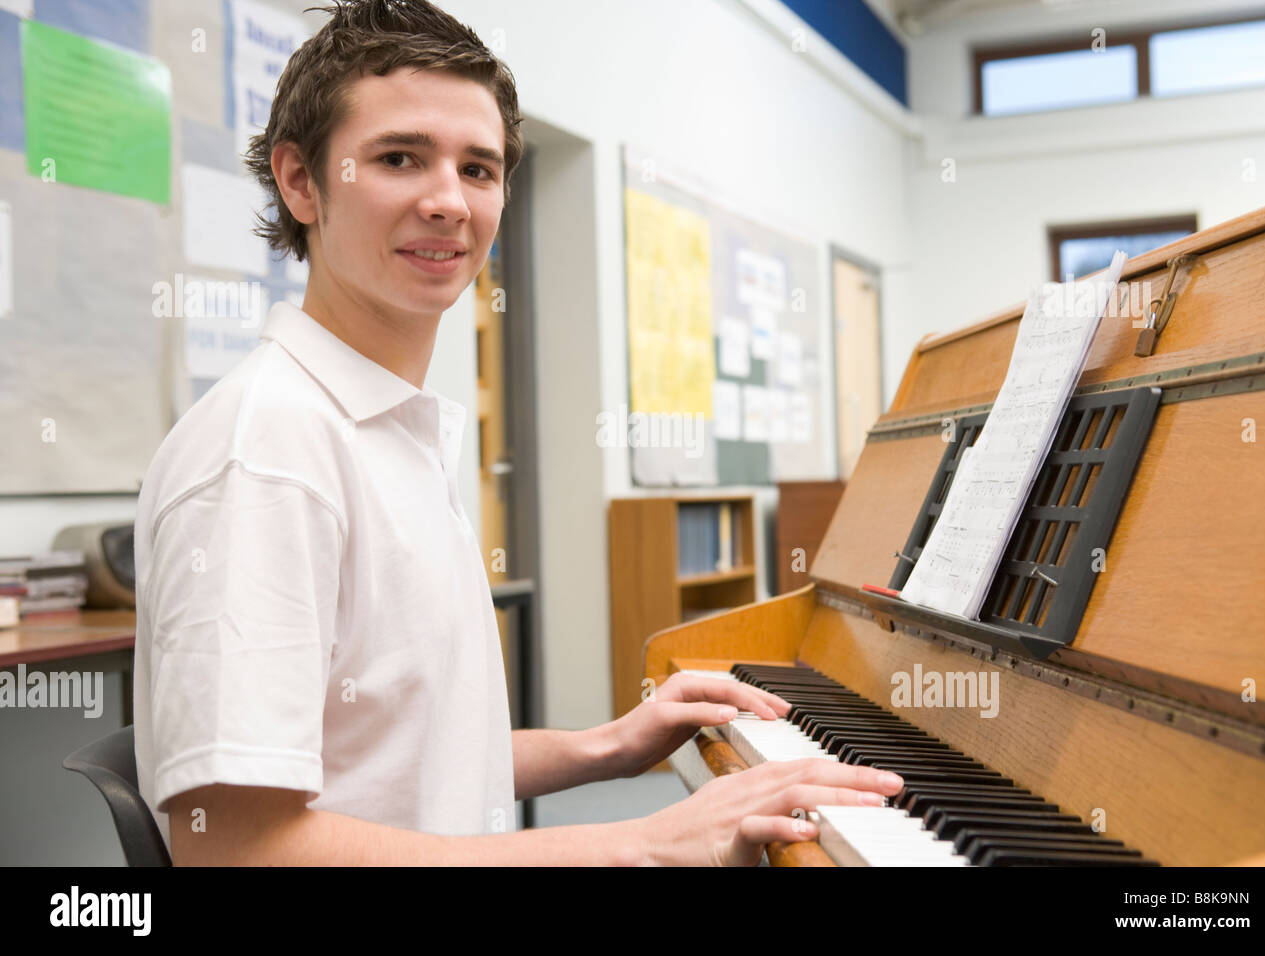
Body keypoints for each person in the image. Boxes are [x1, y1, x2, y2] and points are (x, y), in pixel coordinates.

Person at [133, 0, 901, 866]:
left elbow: (403, 765)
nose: (448, 202)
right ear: (302, 182)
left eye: (479, 169)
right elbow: (236, 850)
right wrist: (641, 843)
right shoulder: (269, 451)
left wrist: (608, 745)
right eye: (399, 159)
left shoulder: (386, 429)